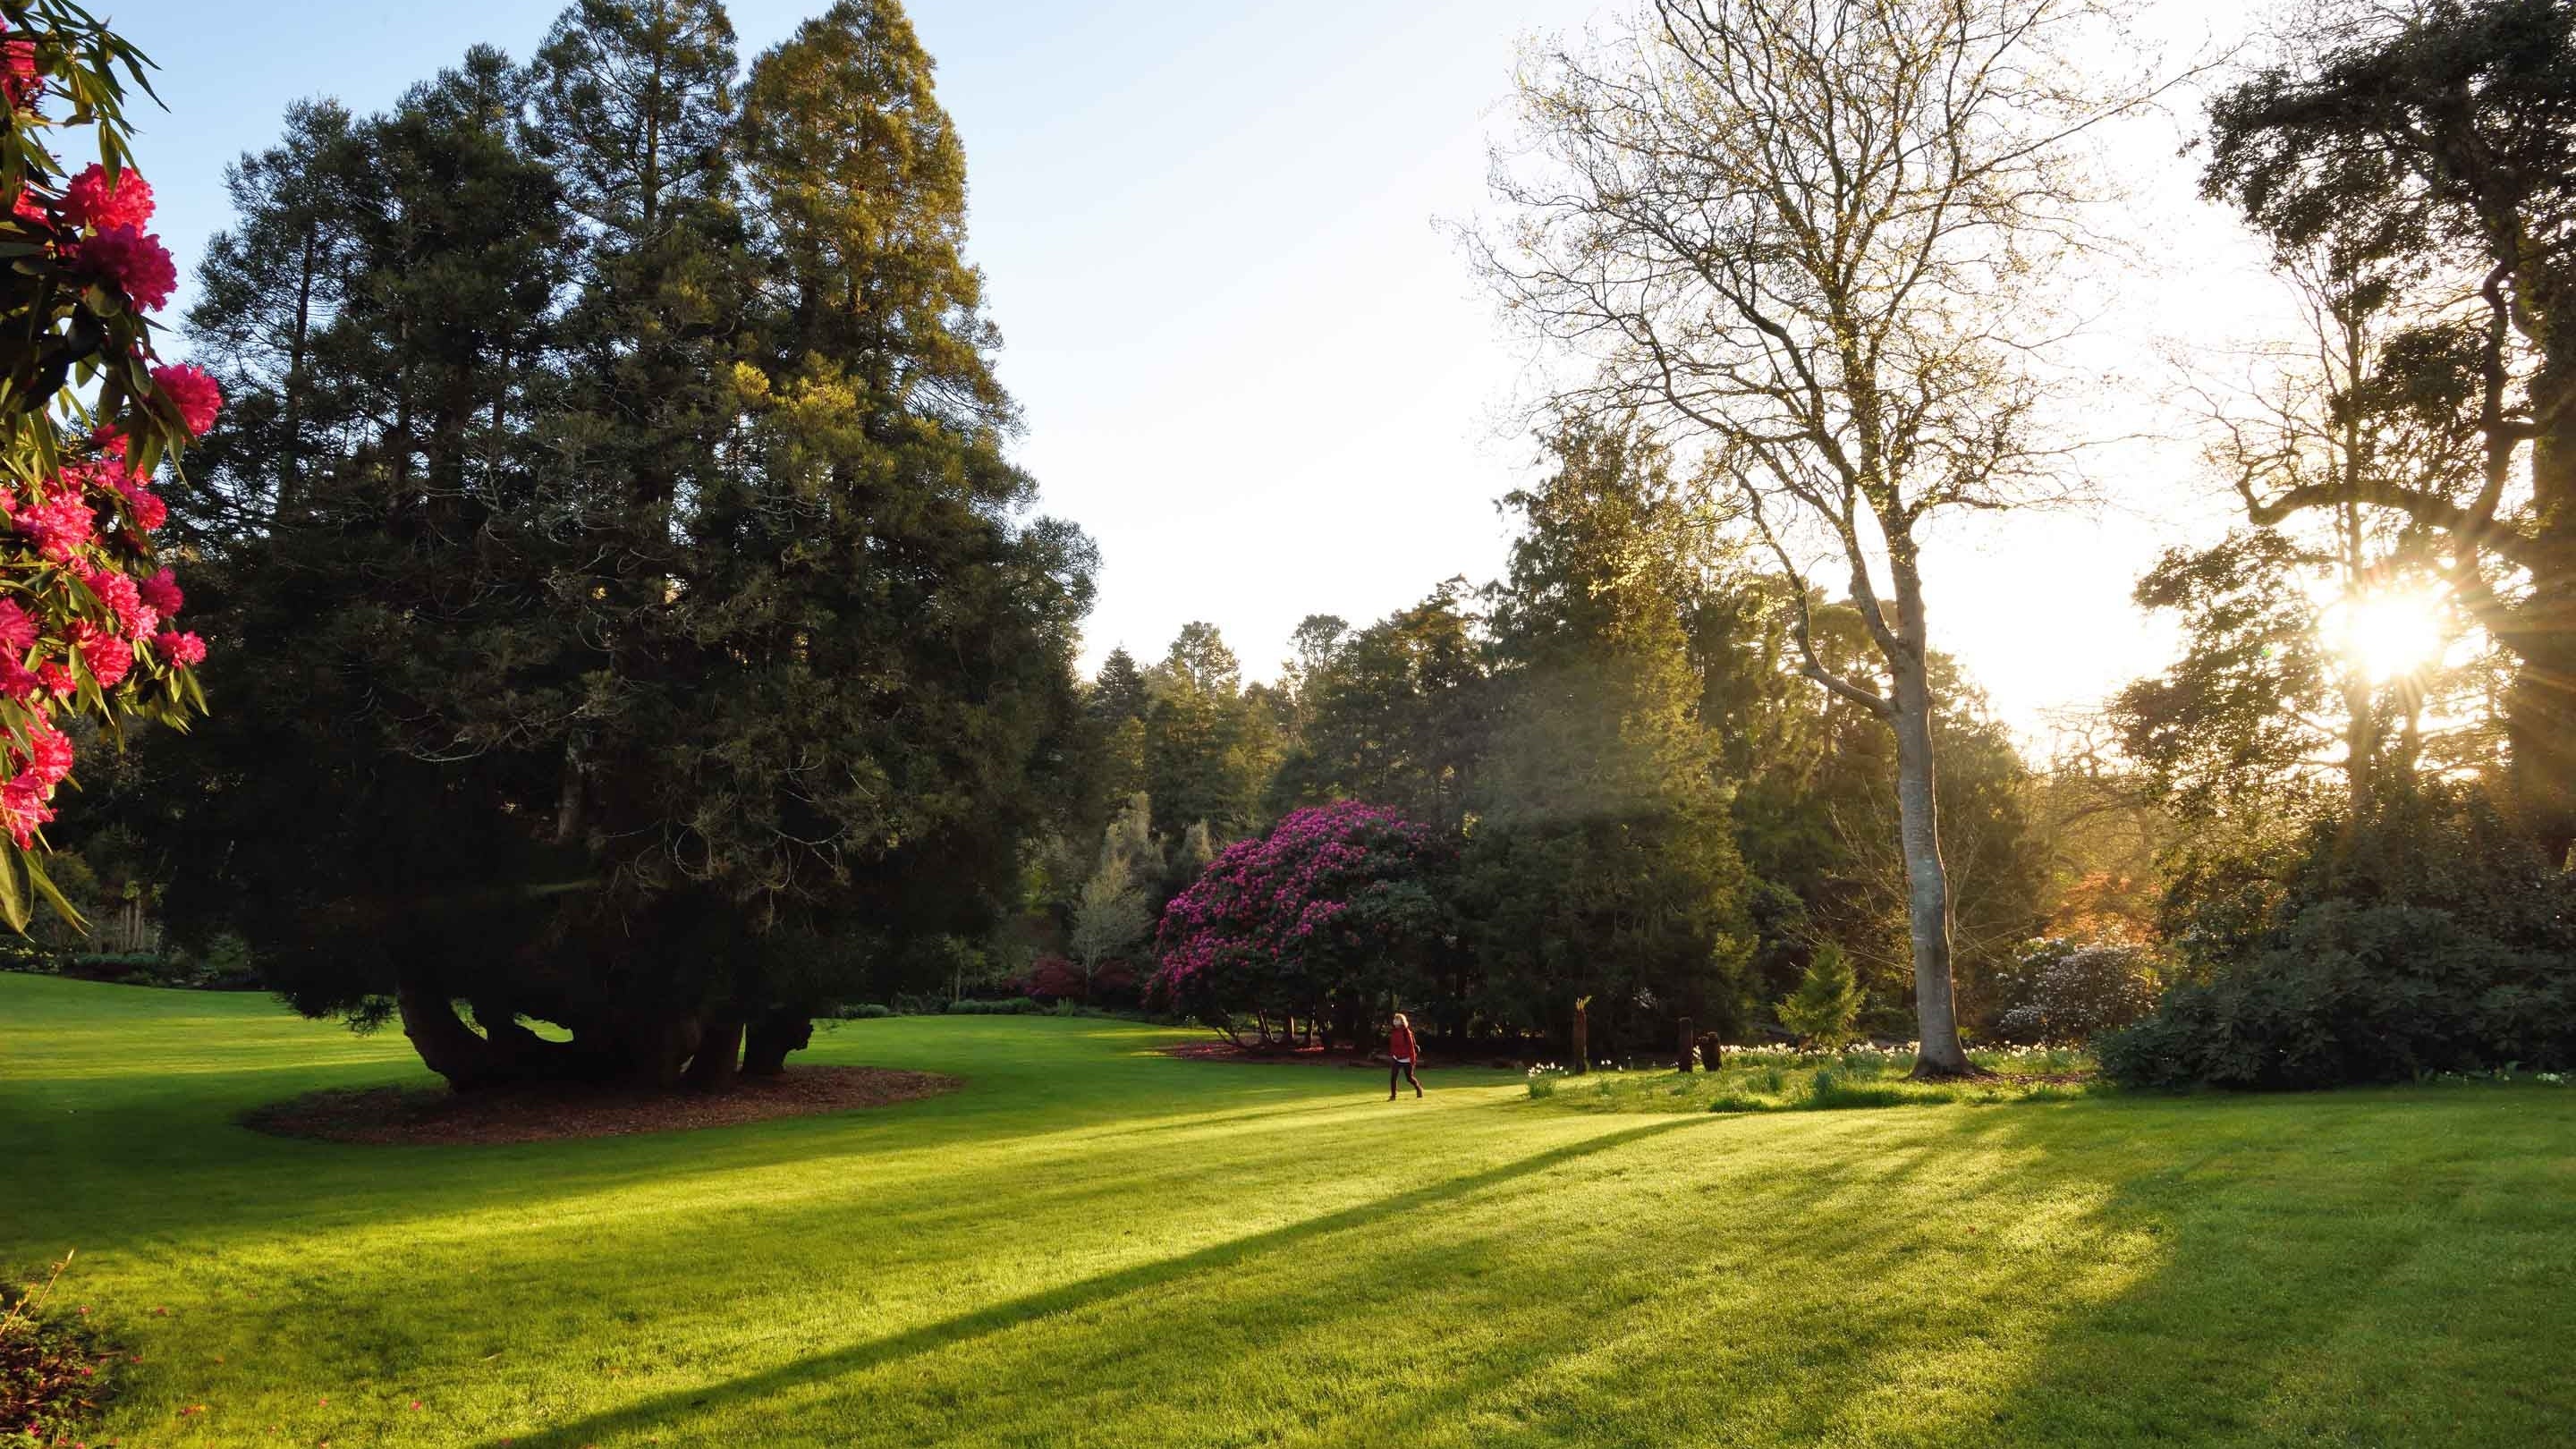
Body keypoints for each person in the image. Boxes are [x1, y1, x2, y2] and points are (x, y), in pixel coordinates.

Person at [1387, 1012, 1423, 1100]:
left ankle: (1418, 1089)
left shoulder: (1407, 1032)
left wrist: (1412, 1059)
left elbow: (1411, 1047)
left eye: (1397, 1019)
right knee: (1393, 1077)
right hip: (1396, 1058)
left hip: (1407, 1059)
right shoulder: (1393, 1031)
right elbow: (1393, 1045)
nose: (1395, 1021)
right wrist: (1393, 1055)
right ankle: (1393, 1096)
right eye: (1394, 1019)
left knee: (1409, 1078)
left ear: (1402, 1021)